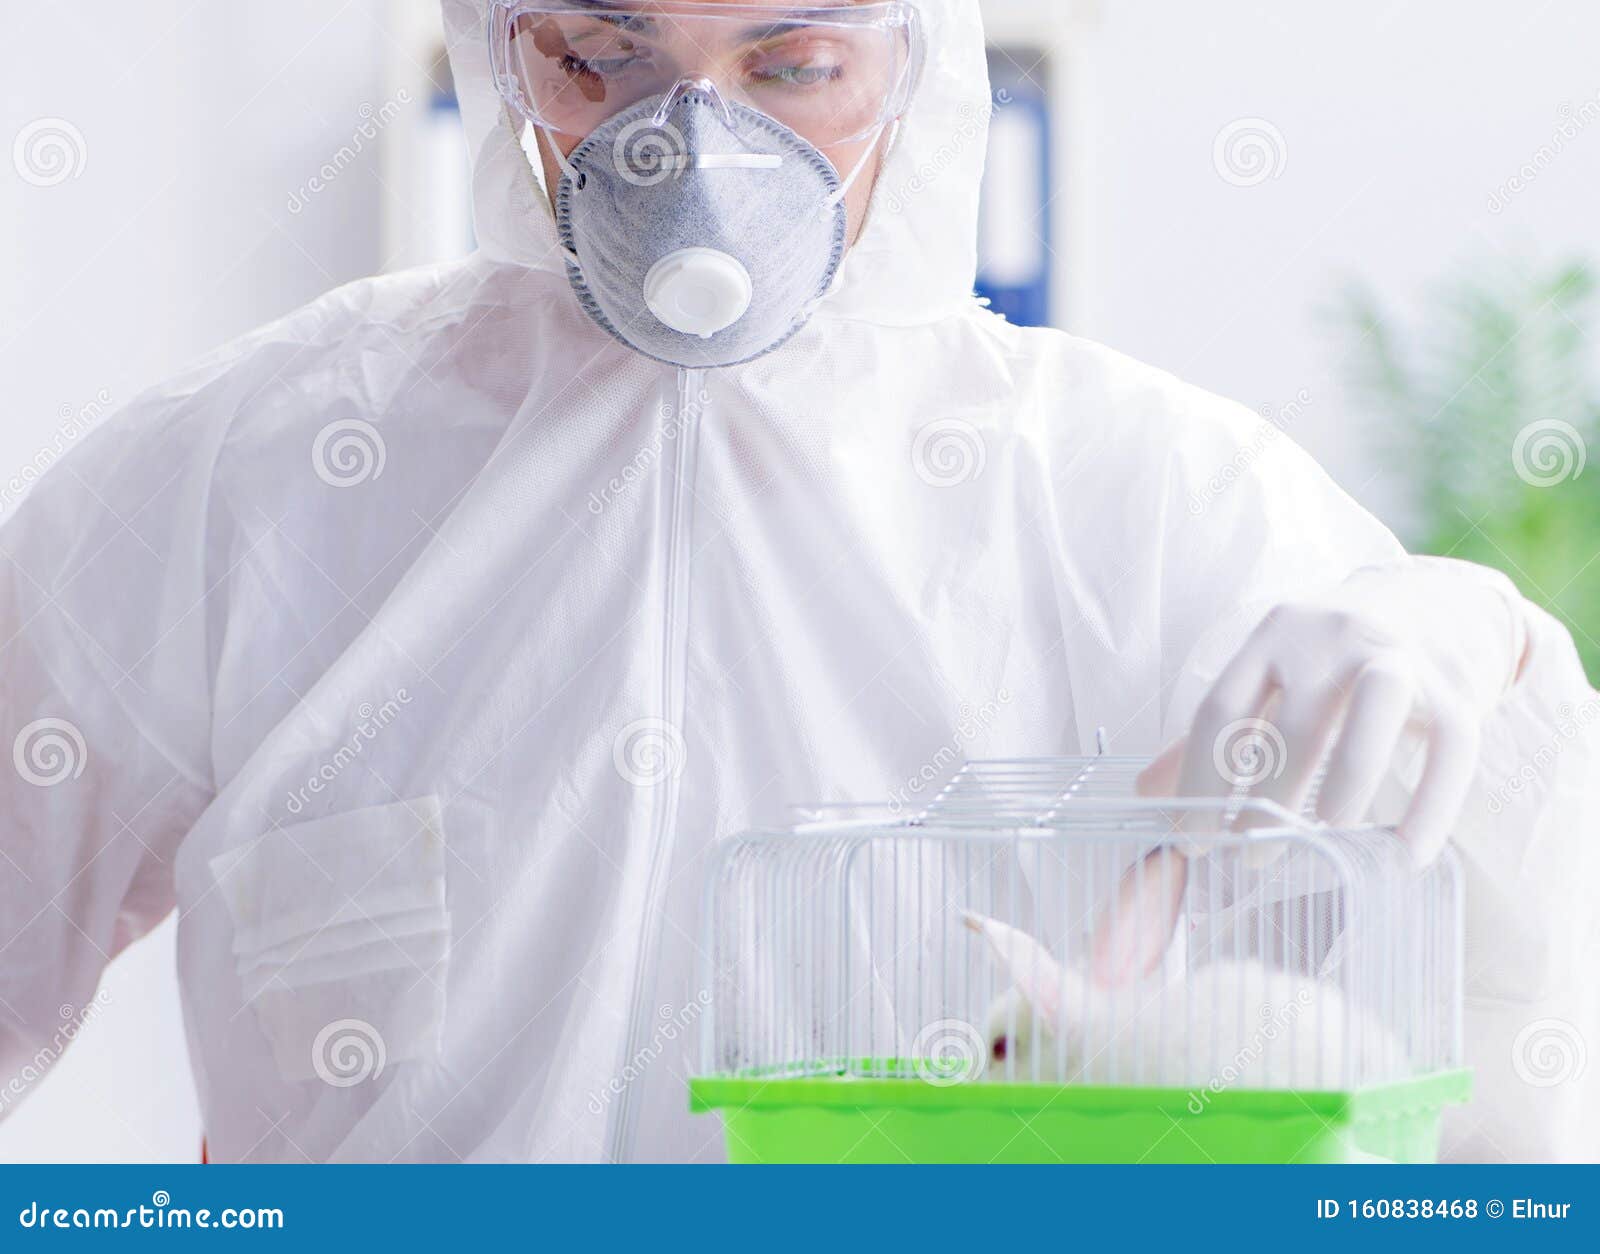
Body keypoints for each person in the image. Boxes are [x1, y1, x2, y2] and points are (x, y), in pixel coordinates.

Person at [0, 0, 1593, 1164]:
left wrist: (1476, 644)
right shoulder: (250, 472)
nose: (691, 145)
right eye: (596, 55)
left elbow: (1495, 1022)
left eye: (796, 66)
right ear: (499, 52)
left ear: (919, 65)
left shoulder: (1131, 484)